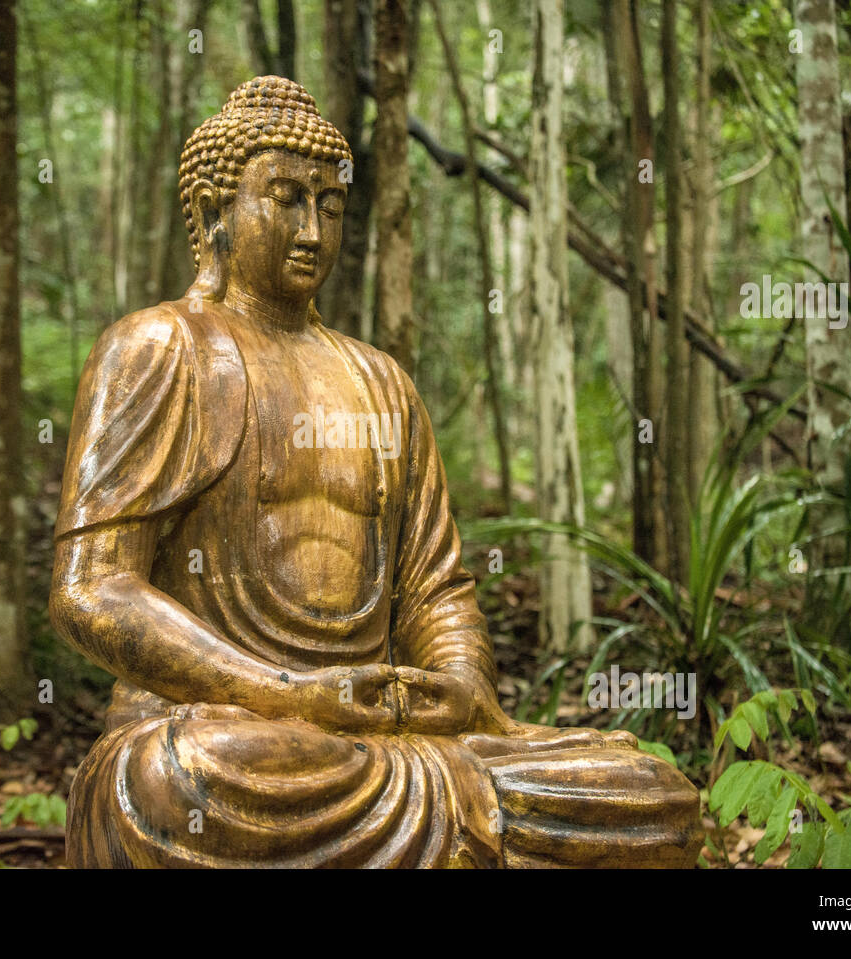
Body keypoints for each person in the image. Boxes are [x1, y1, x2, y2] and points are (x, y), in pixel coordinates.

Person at [51, 76, 702, 868]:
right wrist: (283, 693)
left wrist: (460, 685)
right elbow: (93, 590)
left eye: (330, 205)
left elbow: (436, 588)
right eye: (285, 197)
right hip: (232, 734)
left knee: (648, 791)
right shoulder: (160, 350)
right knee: (174, 782)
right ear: (215, 210)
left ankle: (453, 811)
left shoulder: (379, 381)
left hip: (387, 748)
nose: (311, 229)